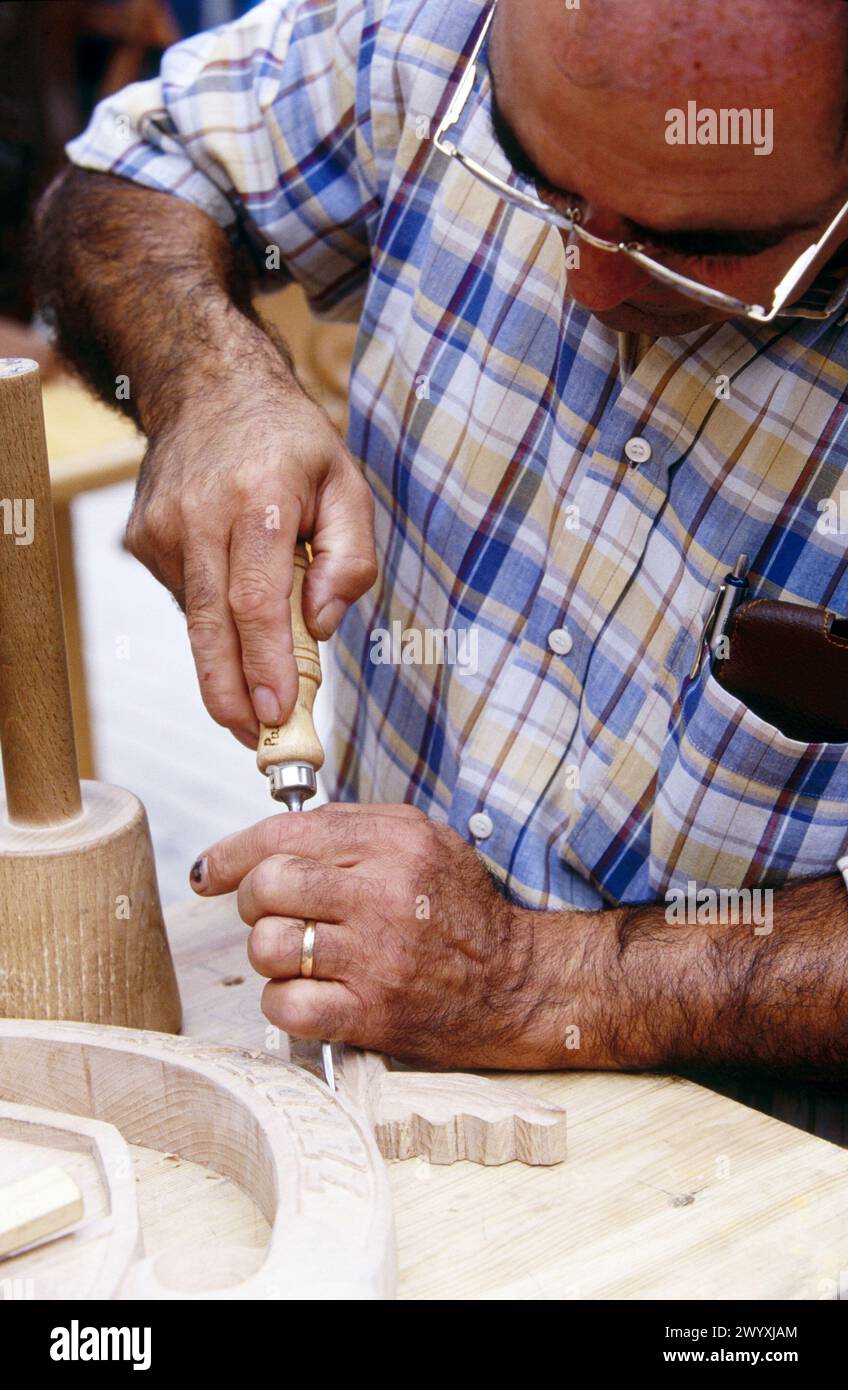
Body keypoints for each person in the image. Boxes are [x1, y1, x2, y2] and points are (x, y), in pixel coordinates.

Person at [36, 0, 848, 1123]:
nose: (588, 283)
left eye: (698, 252)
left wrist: (534, 979)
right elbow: (129, 166)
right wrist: (207, 382)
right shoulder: (438, 34)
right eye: (537, 182)